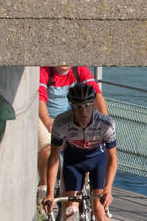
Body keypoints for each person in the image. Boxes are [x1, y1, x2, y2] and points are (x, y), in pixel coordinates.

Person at [43, 81, 119, 221]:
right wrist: (50, 193)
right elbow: (53, 159)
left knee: (99, 209)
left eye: (87, 105)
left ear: (93, 104)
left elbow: (113, 159)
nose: (83, 110)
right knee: (70, 212)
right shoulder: (61, 123)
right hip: (73, 163)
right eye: (77, 106)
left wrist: (108, 190)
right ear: (71, 106)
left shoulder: (106, 123)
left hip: (98, 161)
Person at [37, 66, 108, 206]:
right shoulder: (44, 71)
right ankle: (44, 186)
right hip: (47, 117)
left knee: (87, 145)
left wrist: (104, 120)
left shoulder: (79, 70)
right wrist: (47, 122)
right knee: (47, 149)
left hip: (71, 117)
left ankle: (84, 182)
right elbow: (40, 98)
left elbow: (95, 93)